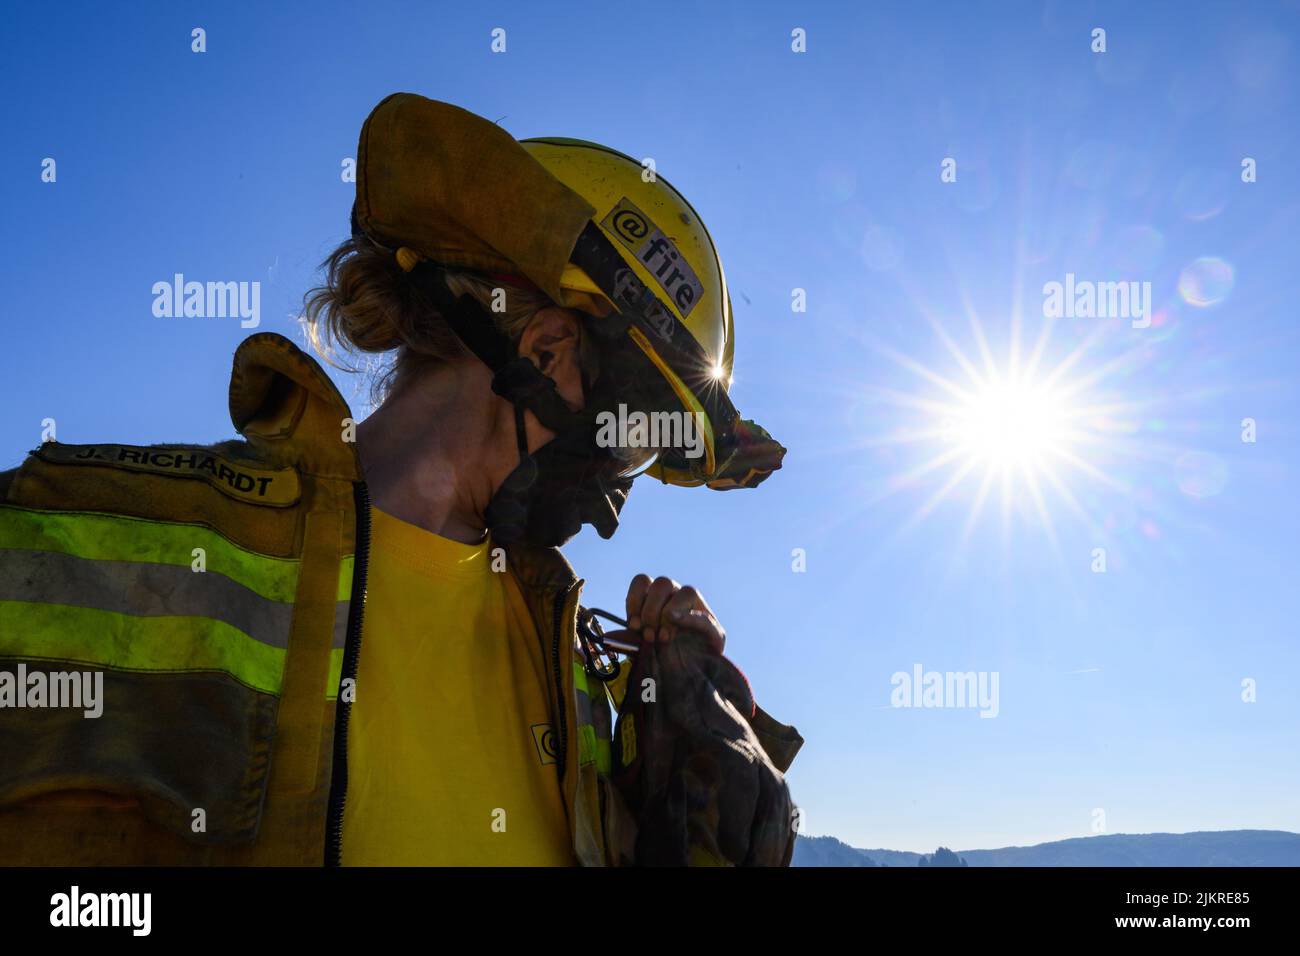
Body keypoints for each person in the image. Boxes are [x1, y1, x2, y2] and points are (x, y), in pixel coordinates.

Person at [0, 94, 801, 865]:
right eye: (629, 449)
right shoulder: (99, 536)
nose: (611, 508)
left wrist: (706, 708)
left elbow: (721, 844)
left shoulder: (586, 680)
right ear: (548, 352)